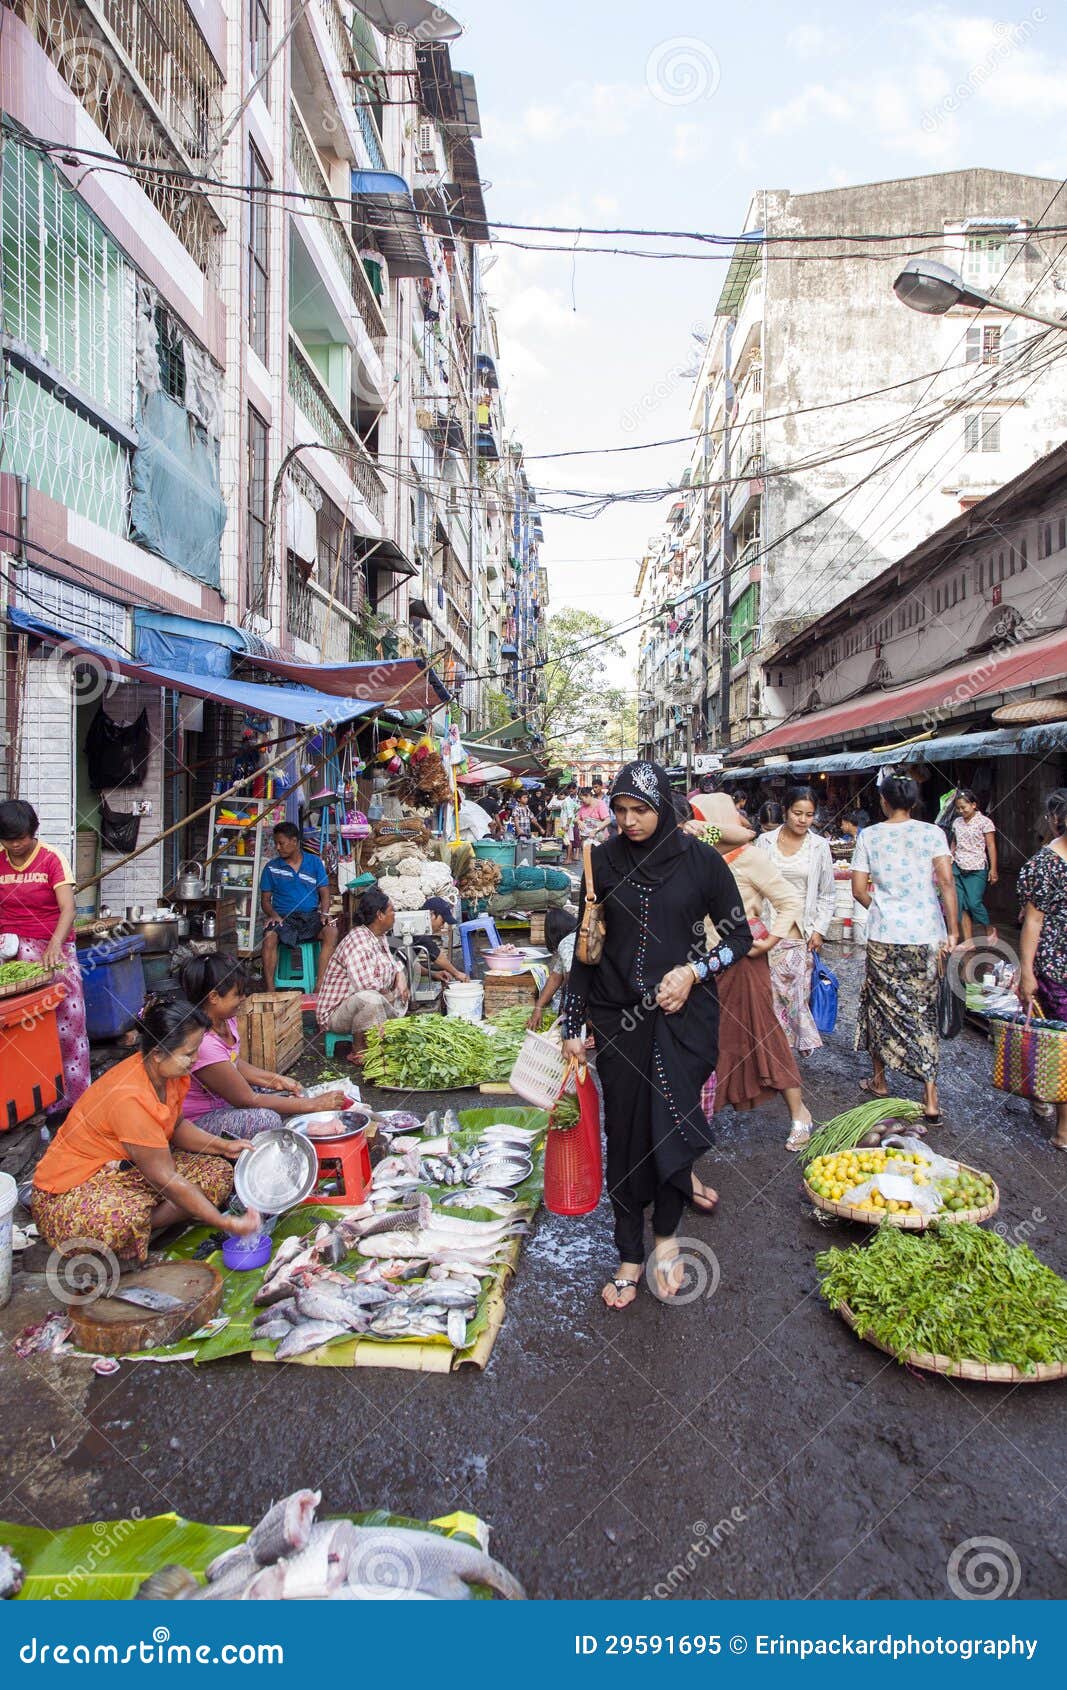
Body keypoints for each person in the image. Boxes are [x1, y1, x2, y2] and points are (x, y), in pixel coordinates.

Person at [561, 762, 753, 1309]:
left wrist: (695, 971)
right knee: (623, 1134)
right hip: (619, 1020)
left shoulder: (701, 861)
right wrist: (573, 1022)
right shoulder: (603, 861)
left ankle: (666, 1240)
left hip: (682, 1019)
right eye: (620, 810)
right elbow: (585, 947)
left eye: (639, 810)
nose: (628, 821)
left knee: (671, 1128)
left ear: (663, 806)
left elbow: (740, 935)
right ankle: (628, 1251)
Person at [31, 996, 260, 1268]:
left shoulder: (171, 1074)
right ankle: (134, 1231)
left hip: (127, 1171)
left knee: (218, 1173)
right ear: (158, 1053)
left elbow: (176, 1127)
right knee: (121, 1220)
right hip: (74, 1187)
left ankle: (142, 1227)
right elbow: (165, 1177)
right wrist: (223, 1222)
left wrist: (223, 1147)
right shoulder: (131, 1097)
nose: (195, 1060)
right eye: (189, 1053)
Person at [696, 795, 816, 1152]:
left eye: (701, 820)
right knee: (712, 1040)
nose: (696, 827)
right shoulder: (697, 860)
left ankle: (801, 1113)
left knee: (766, 1037)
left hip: (746, 965)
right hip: (706, 965)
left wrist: (769, 942)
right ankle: (702, 1119)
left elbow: (789, 901)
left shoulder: (749, 857)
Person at [851, 772, 959, 1126]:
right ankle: (931, 1097)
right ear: (914, 802)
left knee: (879, 1005)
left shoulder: (870, 836)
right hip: (927, 934)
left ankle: (879, 1080)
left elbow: (857, 889)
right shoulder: (933, 834)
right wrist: (954, 931)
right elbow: (945, 883)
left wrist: (882, 910)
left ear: (883, 801)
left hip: (885, 935)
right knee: (922, 1010)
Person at [176, 953, 350, 1135]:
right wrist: (313, 1105)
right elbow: (246, 1099)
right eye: (238, 994)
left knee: (278, 1095)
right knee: (268, 1119)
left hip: (226, 1098)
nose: (244, 998)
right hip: (201, 1120)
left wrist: (276, 1080)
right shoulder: (204, 1043)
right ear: (213, 997)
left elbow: (233, 1063)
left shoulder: (226, 1019)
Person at [0, 799, 89, 1116]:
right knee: (25, 1029)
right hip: (12, 953)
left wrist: (54, 945)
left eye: (22, 837)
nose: (17, 844)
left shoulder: (52, 858)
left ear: (32, 832)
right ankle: (30, 1100)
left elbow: (69, 909)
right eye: (10, 839)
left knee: (67, 1025)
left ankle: (75, 1098)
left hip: (54, 951)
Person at [756, 788, 836, 1054]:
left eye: (809, 815)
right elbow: (754, 886)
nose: (803, 820)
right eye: (797, 813)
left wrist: (820, 930)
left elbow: (827, 894)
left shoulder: (819, 846)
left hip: (802, 933)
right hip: (768, 932)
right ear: (786, 810)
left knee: (798, 997)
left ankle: (785, 1053)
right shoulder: (764, 842)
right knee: (769, 995)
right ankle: (774, 1052)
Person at [1017, 788, 1067, 1150]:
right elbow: (1033, 921)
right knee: (1062, 1044)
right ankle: (1064, 1129)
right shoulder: (1047, 863)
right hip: (1055, 966)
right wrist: (1027, 971)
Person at [315, 888, 409, 1064]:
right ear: (379, 915)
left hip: (357, 1004)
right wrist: (391, 995)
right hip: (335, 1013)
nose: (394, 915)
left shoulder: (378, 935)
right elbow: (366, 988)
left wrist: (401, 980)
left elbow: (393, 963)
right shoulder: (358, 941)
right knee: (370, 998)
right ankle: (360, 1049)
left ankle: (374, 1040)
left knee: (394, 996)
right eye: (392, 911)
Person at [259, 823, 337, 991]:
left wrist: (324, 913)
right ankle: (271, 990)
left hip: (310, 917)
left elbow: (324, 892)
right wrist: (273, 914)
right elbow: (265, 900)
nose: (278, 848)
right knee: (269, 936)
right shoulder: (271, 867)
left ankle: (319, 986)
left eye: (281, 843)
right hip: (283, 918)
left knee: (332, 930)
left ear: (294, 841)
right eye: (276, 844)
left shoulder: (314, 862)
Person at [951, 788, 999, 943]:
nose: (961, 811)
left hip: (977, 867)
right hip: (957, 866)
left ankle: (989, 928)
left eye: (963, 807)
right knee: (961, 904)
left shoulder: (985, 822)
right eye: (958, 808)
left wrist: (993, 869)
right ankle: (968, 941)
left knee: (973, 902)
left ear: (974, 805)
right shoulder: (957, 822)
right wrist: (950, 856)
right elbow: (955, 842)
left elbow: (991, 846)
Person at [527, 908, 578, 1030]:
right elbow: (555, 977)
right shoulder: (572, 939)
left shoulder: (567, 943)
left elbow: (575, 979)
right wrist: (538, 1007)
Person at [414, 897, 469, 984]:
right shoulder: (416, 928)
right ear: (431, 915)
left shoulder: (420, 932)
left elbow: (410, 965)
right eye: (442, 921)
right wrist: (457, 974)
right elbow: (436, 954)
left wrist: (433, 974)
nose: (443, 926)